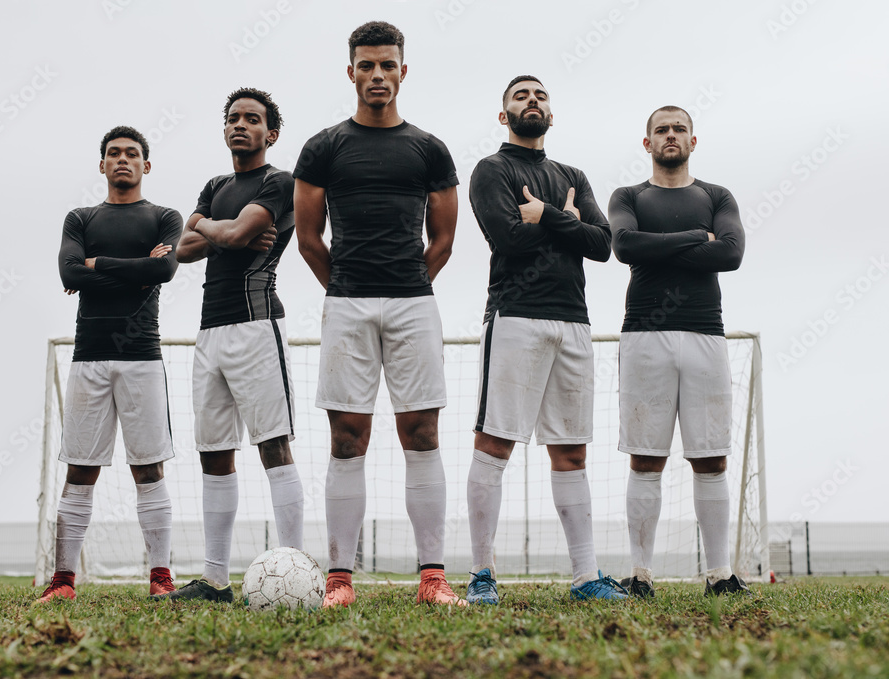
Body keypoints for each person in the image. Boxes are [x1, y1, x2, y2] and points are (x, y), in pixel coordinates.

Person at [293, 21, 463, 607]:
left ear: (402, 71)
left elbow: (442, 240)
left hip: (414, 304)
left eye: (387, 65)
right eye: (366, 66)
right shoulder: (322, 147)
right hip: (346, 305)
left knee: (422, 432)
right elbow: (308, 237)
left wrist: (407, 286)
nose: (377, 76)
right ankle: (339, 578)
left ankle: (432, 578)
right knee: (348, 437)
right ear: (351, 73)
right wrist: (345, 288)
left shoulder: (430, 149)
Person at [465, 76, 626, 604]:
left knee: (572, 452)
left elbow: (602, 244)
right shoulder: (492, 169)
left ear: (551, 114)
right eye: (520, 96)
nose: (532, 101)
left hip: (573, 323)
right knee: (495, 444)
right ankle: (482, 573)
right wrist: (567, 223)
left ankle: (585, 578)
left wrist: (548, 215)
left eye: (540, 96)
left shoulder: (571, 174)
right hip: (515, 318)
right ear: (503, 113)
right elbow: (507, 236)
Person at [155, 88, 303, 603]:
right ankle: (215, 580)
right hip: (209, 332)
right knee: (214, 453)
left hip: (256, 327)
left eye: (252, 119)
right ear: (225, 129)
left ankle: (297, 571)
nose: (241, 125)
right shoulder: (216, 184)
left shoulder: (278, 182)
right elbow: (184, 251)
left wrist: (205, 227)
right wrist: (213, 228)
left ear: (271, 133)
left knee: (273, 447)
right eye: (233, 118)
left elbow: (238, 237)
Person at [39, 126, 183, 603]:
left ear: (146, 165)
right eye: (113, 154)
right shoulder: (80, 217)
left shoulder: (165, 216)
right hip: (89, 357)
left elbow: (163, 271)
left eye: (132, 154)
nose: (123, 159)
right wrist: (133, 268)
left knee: (149, 469)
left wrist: (96, 267)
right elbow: (67, 271)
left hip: (142, 357)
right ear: (101, 164)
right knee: (80, 469)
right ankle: (63, 583)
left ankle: (160, 577)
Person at [609, 105, 747, 598]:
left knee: (711, 459)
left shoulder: (716, 195)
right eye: (661, 130)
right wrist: (695, 238)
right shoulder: (628, 196)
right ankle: (641, 575)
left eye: (679, 129)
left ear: (694, 140)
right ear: (647, 143)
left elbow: (730, 253)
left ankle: (720, 575)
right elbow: (624, 245)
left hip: (707, 335)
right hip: (645, 337)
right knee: (646, 459)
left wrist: (662, 244)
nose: (671, 135)